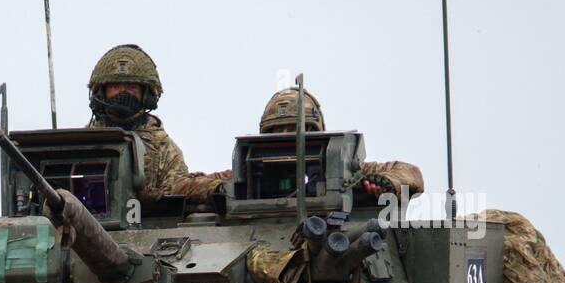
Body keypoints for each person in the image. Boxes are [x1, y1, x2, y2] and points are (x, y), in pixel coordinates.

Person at [175, 87, 425, 204]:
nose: (285, 138)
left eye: (295, 130)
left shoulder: (348, 171)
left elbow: (411, 174)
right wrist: (220, 188)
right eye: (277, 131)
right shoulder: (247, 176)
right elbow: (184, 186)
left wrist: (385, 182)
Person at [86, 44, 190, 200]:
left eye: (132, 86)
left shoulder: (164, 149)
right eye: (115, 86)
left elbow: (178, 192)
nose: (123, 92)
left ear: (146, 95)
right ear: (101, 93)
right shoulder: (83, 143)